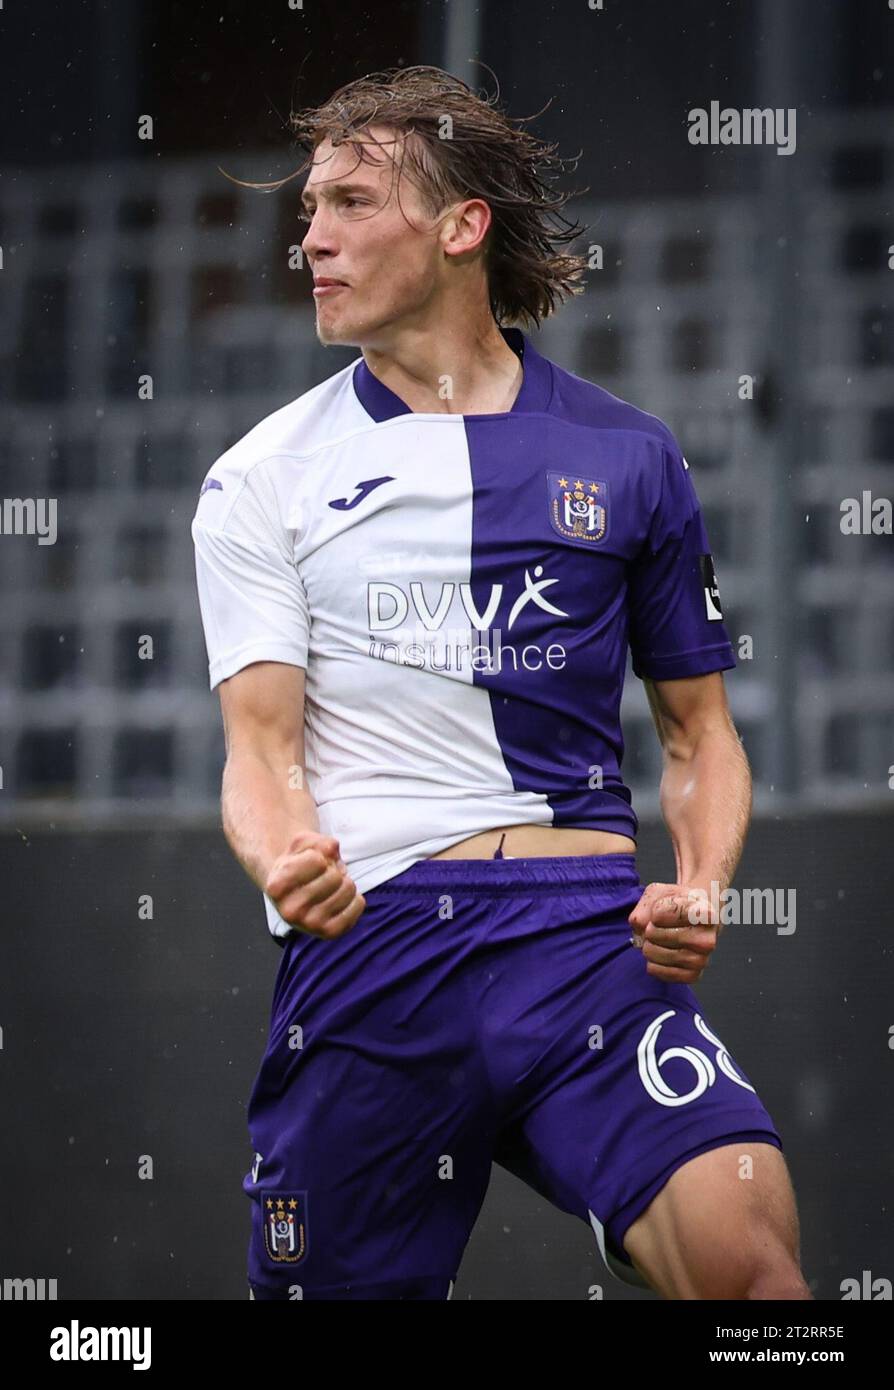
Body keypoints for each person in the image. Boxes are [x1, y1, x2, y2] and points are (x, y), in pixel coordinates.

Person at [191, 65, 810, 1301]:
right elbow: (258, 757)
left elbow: (698, 737)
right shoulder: (258, 480)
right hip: (373, 960)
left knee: (757, 1273)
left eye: (353, 202)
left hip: (584, 944)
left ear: (462, 225)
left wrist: (700, 886)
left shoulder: (628, 455)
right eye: (310, 207)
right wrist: (279, 860)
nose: (310, 237)